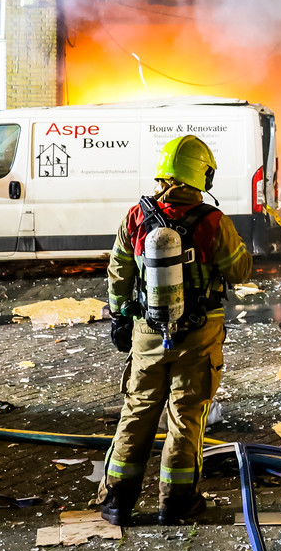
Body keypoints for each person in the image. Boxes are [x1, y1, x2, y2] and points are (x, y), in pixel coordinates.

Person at [98, 135, 251, 527]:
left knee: (137, 412)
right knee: (186, 415)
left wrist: (119, 317)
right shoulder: (213, 222)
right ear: (201, 174)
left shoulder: (136, 217)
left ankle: (117, 503)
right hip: (199, 334)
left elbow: (119, 273)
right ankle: (177, 503)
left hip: (147, 332)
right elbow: (239, 271)